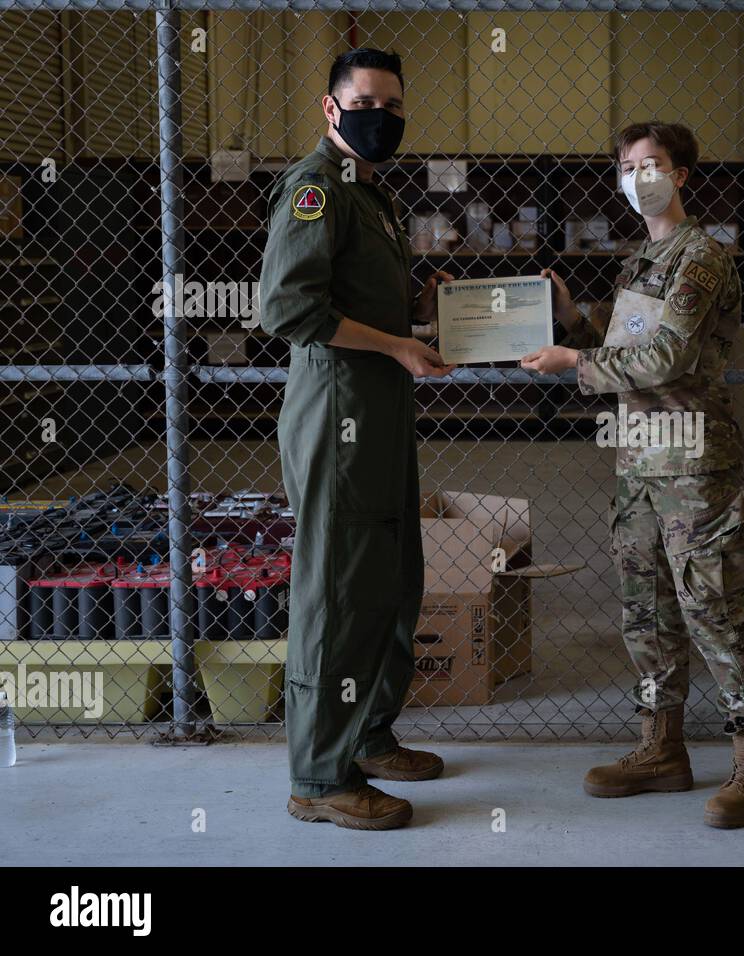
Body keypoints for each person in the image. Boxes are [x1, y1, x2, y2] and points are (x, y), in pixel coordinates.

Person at [521, 122, 744, 829]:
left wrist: (573, 364)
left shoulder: (701, 257)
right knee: (647, 610)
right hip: (640, 460)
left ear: (683, 173)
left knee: (713, 611)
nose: (640, 175)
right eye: (629, 165)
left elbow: (665, 357)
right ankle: (660, 746)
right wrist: (577, 319)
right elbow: (624, 338)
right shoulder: (643, 256)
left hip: (693, 462)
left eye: (654, 163)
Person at [259, 48, 455, 831]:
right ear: (331, 109)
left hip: (376, 413)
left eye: (395, 104)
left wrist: (422, 327)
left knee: (390, 579)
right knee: (340, 593)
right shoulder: (316, 189)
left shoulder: (368, 195)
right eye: (367, 100)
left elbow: (362, 308)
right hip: (338, 411)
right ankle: (319, 775)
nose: (384, 115)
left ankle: (367, 733)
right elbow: (287, 309)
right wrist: (399, 347)